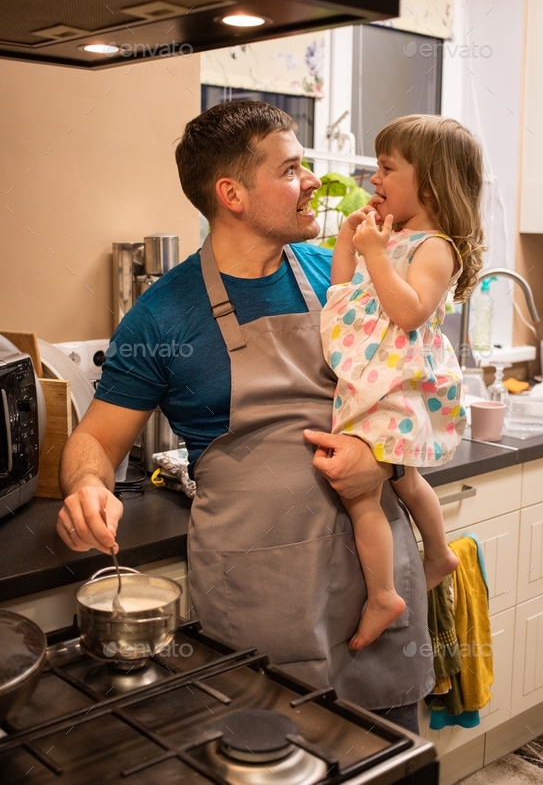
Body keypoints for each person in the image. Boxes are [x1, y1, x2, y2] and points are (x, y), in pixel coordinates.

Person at [57, 101, 434, 734]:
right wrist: (87, 487)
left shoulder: (343, 279)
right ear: (231, 193)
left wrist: (384, 460)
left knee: (389, 757)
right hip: (258, 593)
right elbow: (94, 438)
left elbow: (418, 395)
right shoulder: (162, 315)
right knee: (261, 757)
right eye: (291, 169)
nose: (312, 181)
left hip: (371, 573)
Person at [321, 114, 485, 651]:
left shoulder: (434, 247)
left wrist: (374, 252)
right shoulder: (395, 237)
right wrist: (351, 240)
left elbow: (410, 312)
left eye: (387, 168)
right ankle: (436, 554)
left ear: (432, 182)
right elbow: (343, 289)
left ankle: (384, 593)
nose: (375, 178)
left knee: (368, 489)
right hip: (378, 379)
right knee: (402, 480)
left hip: (402, 384)